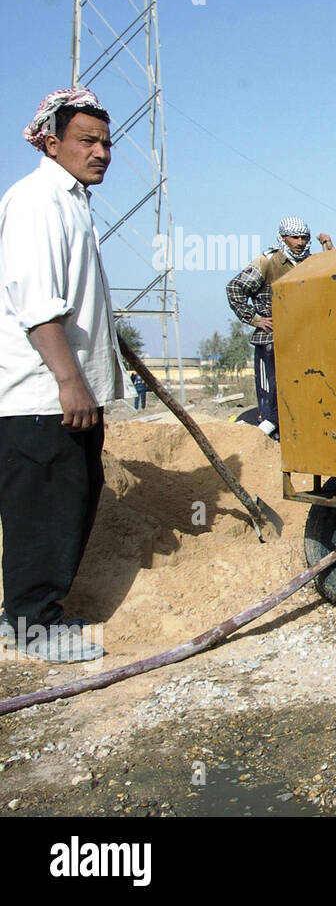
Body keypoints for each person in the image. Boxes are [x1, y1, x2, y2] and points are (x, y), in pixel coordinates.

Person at [0, 88, 127, 663]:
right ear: (51, 143)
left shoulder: (72, 202)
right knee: (45, 506)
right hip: (41, 394)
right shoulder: (36, 201)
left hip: (68, 391)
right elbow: (34, 300)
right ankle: (31, 624)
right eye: (86, 140)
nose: (101, 151)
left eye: (106, 141)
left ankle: (31, 614)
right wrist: (69, 381)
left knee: (72, 497)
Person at [226, 217, 333, 441]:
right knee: (271, 391)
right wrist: (256, 319)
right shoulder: (268, 261)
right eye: (295, 237)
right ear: (283, 238)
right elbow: (235, 289)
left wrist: (329, 248)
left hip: (305, 338)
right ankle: (267, 435)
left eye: (304, 238)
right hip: (273, 338)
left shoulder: (311, 262)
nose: (300, 242)